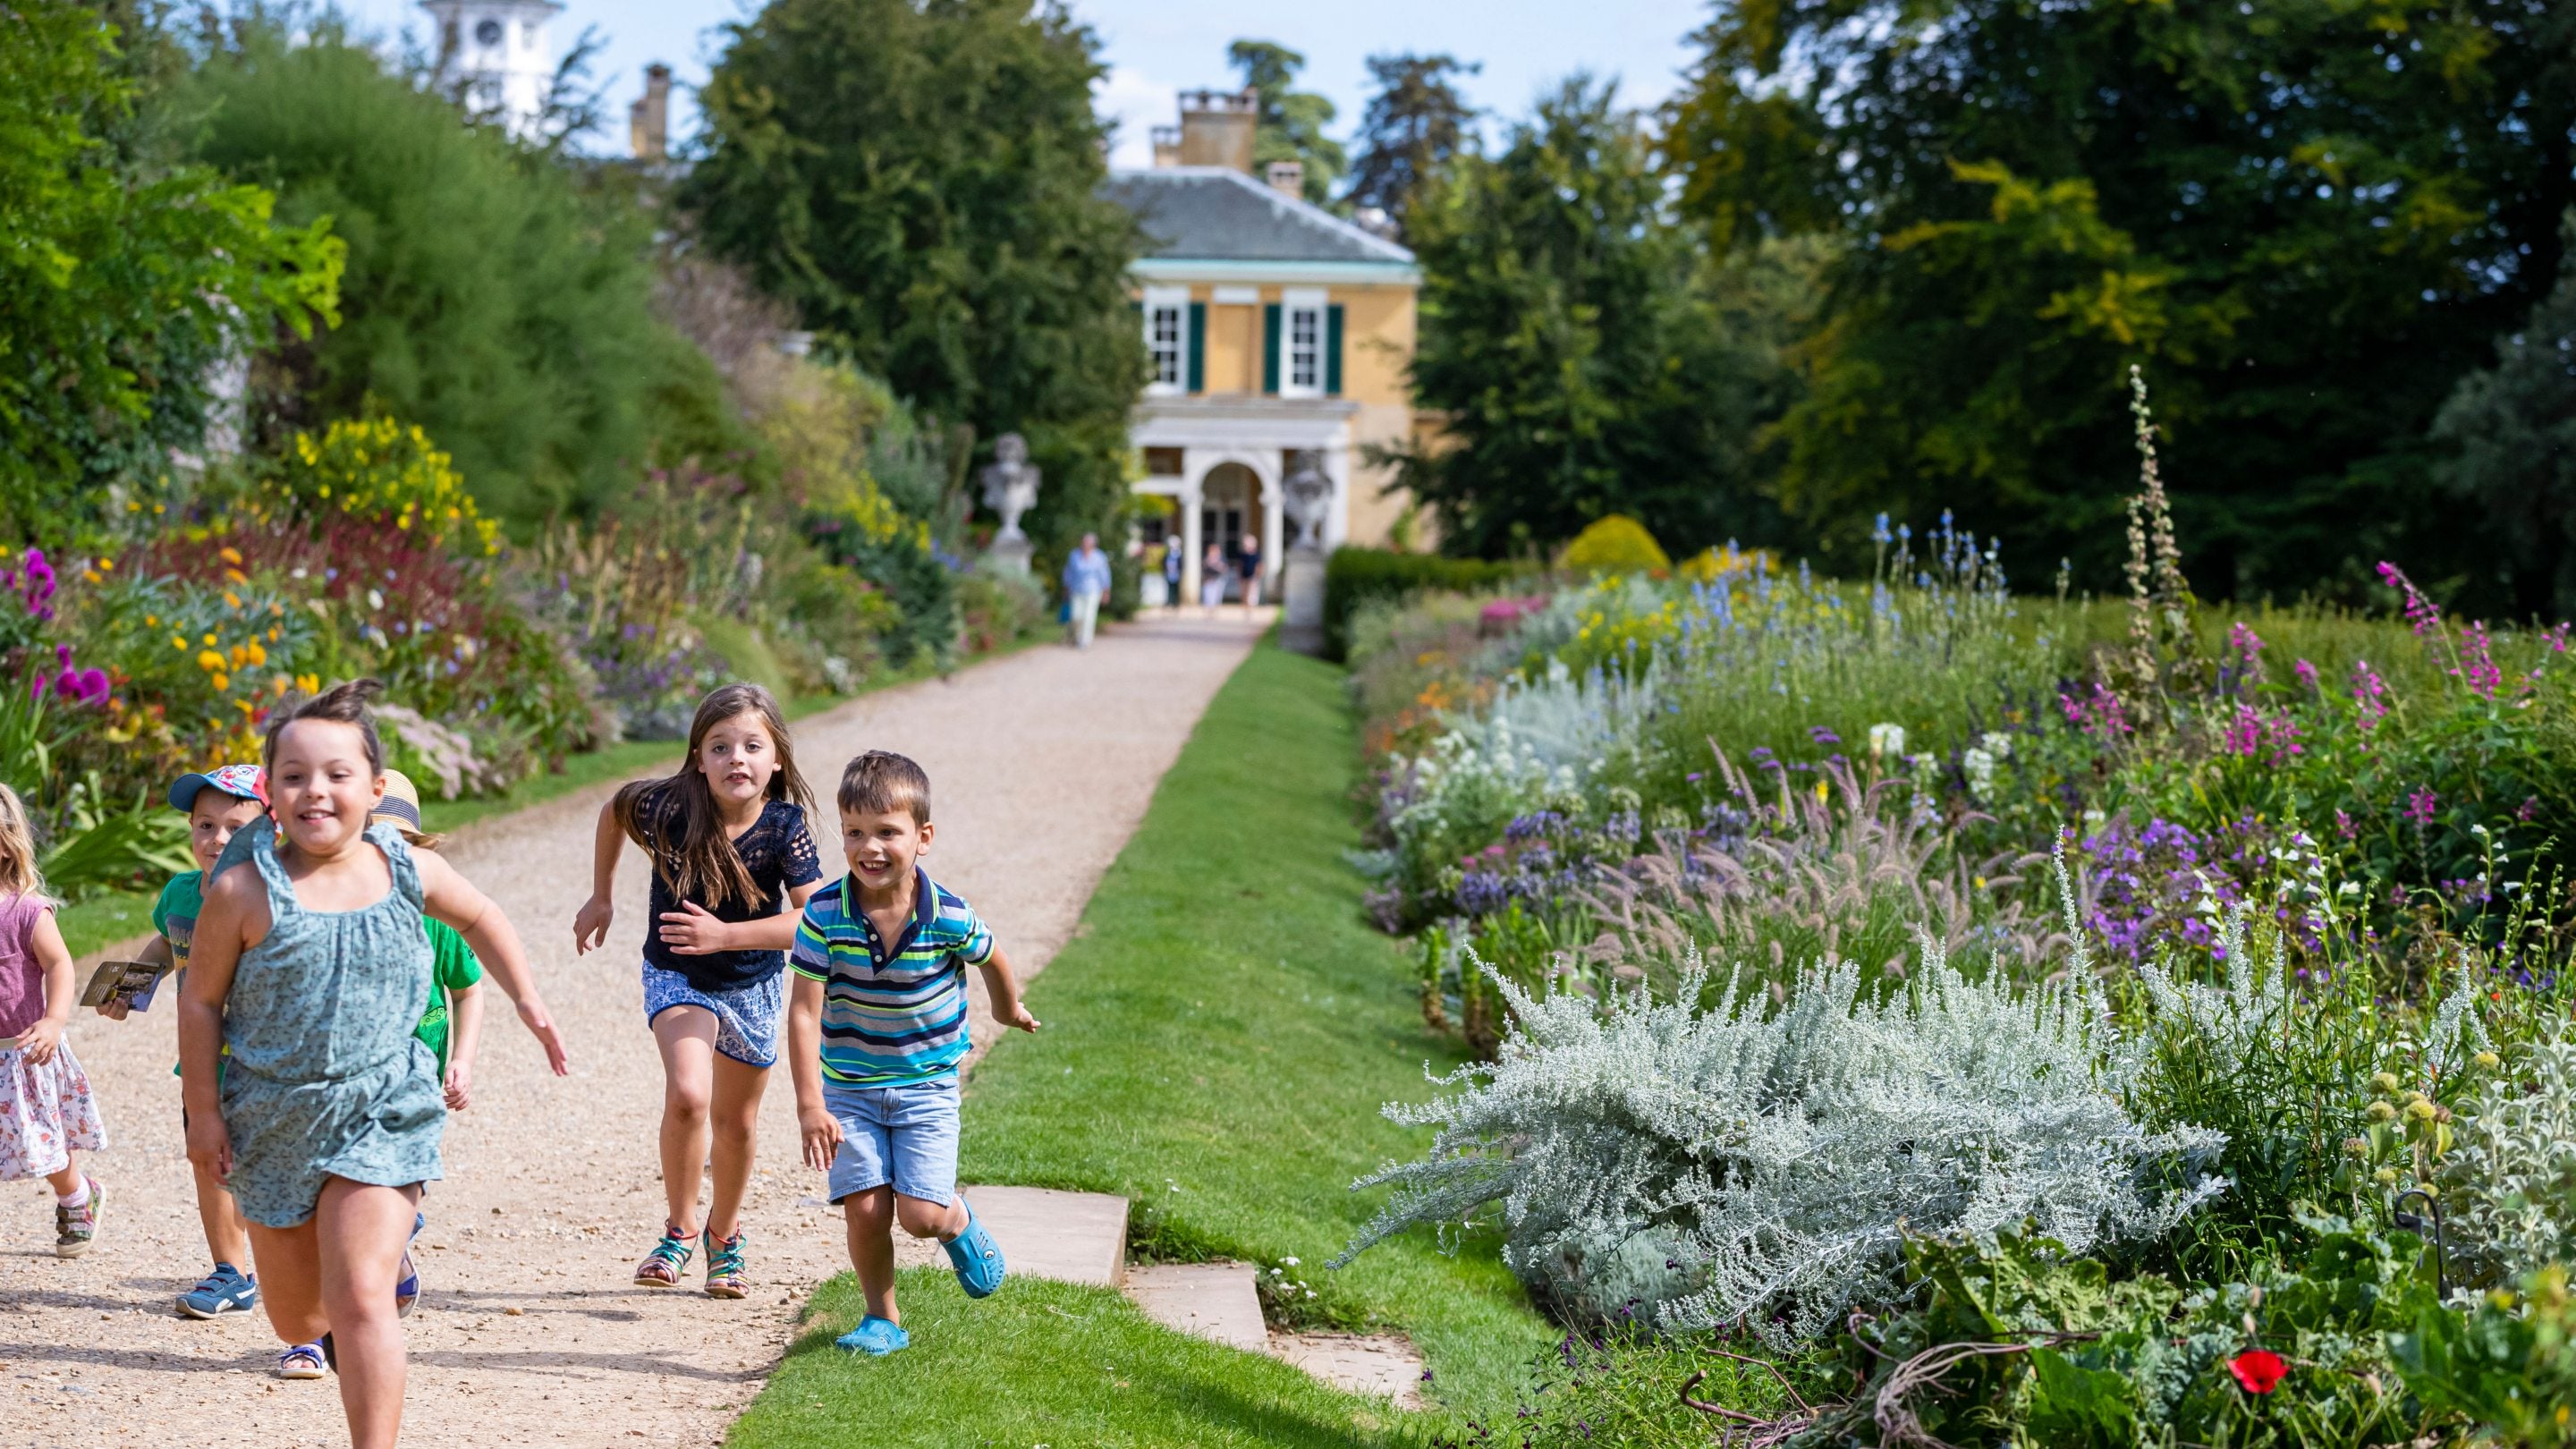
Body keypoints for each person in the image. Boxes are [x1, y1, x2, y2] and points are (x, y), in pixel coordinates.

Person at [180, 680, 570, 1448]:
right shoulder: (241, 892)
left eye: (336, 774)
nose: (315, 790)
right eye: (293, 776)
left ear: (374, 788)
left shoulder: (406, 872)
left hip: (386, 1107)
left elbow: (483, 915)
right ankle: (310, 1303)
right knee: (299, 1315)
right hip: (274, 1117)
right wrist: (205, 1111)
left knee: (362, 1295)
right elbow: (200, 1003)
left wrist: (526, 998)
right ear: (270, 793)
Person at [574, 682, 822, 1301]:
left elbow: (813, 922)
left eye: (751, 746)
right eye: (720, 746)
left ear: (776, 761)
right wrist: (602, 894)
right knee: (689, 1094)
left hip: (753, 985)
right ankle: (679, 1229)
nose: (736, 758)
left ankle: (724, 1235)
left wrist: (727, 935)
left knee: (735, 1122)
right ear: (698, 758)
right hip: (677, 973)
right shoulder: (669, 808)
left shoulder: (785, 826)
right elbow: (613, 810)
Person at [787, 750, 1036, 1356]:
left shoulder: (946, 913)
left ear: (923, 838)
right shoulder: (824, 914)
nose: (869, 847)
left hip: (926, 1084)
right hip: (850, 1086)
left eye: (887, 833)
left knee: (920, 1216)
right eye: (854, 832)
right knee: (866, 1210)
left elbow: (992, 955)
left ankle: (957, 1223)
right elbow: (802, 1011)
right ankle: (883, 1320)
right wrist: (810, 1104)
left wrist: (1005, 1009)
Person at [94, 764, 267, 1318]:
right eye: (205, 826)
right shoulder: (179, 893)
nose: (217, 839)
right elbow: (167, 945)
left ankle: (294, 1263)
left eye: (235, 827)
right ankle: (231, 1273)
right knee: (209, 1162)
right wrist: (127, 986)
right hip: (202, 1062)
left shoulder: (276, 895)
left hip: (269, 1064)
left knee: (264, 1166)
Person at [368, 770, 485, 1335]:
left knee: (402, 1176)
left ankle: (393, 1245)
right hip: (355, 1075)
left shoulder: (439, 916)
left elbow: (468, 989)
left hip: (422, 1078)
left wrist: (463, 1058)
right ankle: (372, 1265)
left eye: (398, 845)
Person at [0, 784, 107, 1259]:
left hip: (23, 1052)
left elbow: (60, 964)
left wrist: (53, 1020)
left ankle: (78, 1196)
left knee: (41, 1146)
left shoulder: (24, 910)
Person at [1062, 531, 1112, 649]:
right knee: (1076, 616)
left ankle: (1085, 640)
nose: (1086, 544)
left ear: (1094, 544)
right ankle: (1077, 637)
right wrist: (1066, 587)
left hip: (1093, 590)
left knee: (1089, 616)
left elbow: (1104, 575)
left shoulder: (1099, 557)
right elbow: (1068, 573)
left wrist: (1106, 591)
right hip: (1076, 589)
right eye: (1084, 542)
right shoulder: (1074, 555)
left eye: (1088, 542)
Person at [1238, 528, 1265, 610]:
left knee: (1251, 593)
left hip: (1252, 575)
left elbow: (1259, 565)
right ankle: (1245, 607)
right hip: (1244, 575)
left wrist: (1258, 575)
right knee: (1244, 592)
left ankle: (1250, 607)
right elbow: (1240, 565)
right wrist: (1239, 575)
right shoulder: (1243, 554)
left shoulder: (1256, 554)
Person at [1200, 539, 1228, 614]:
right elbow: (1203, 568)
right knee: (1208, 596)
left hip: (1218, 579)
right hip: (1208, 579)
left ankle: (1215, 611)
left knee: (1217, 596)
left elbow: (1224, 569)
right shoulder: (1206, 558)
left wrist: (1216, 564)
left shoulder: (1221, 558)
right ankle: (1208, 611)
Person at [1161, 536, 1183, 609]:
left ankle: (1175, 602)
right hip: (1169, 574)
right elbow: (1164, 562)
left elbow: (1180, 565)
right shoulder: (1168, 554)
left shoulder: (1178, 555)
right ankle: (1169, 601)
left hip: (1175, 574)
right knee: (1169, 588)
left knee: (1175, 589)